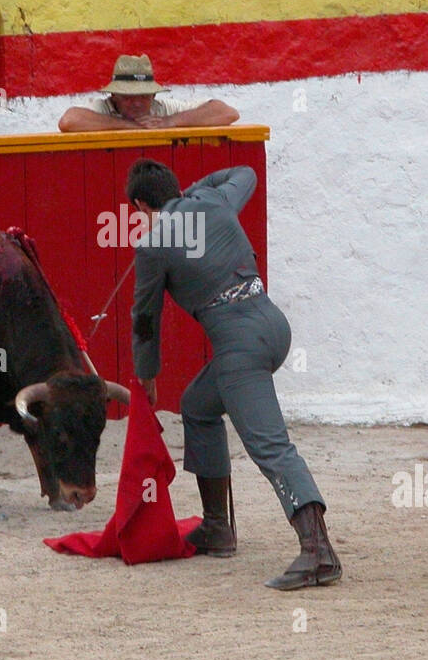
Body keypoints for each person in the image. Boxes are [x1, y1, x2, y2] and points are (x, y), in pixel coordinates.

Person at [126, 159, 342, 590]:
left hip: (239, 343)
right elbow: (245, 172)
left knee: (271, 446)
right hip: (273, 326)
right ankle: (216, 528)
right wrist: (193, 192)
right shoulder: (216, 198)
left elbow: (145, 318)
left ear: (139, 205)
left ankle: (319, 552)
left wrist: (146, 373)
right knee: (198, 405)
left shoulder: (152, 246)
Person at [57, 54, 239, 132]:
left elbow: (227, 113)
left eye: (143, 97)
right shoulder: (101, 108)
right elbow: (69, 121)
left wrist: (170, 122)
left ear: (154, 97)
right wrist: (129, 127)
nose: (137, 103)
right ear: (114, 97)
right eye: (128, 98)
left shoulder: (163, 110)